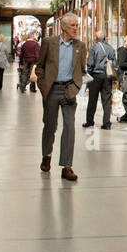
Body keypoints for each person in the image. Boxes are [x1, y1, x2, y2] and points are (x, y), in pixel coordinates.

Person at [32, 12, 84, 181]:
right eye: (73, 25)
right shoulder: (49, 43)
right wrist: (43, 85)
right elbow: (39, 67)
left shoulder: (80, 46)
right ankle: (46, 155)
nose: (76, 28)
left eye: (77, 25)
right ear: (63, 27)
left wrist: (76, 86)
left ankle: (66, 166)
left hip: (69, 90)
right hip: (52, 90)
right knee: (50, 125)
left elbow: (82, 70)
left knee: (70, 127)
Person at [83, 30, 118, 130]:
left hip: (95, 77)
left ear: (96, 38)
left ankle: (90, 122)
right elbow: (114, 64)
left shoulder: (94, 47)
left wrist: (88, 77)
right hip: (107, 77)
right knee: (106, 101)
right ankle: (106, 123)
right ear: (105, 37)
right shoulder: (110, 48)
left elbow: (90, 64)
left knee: (92, 100)